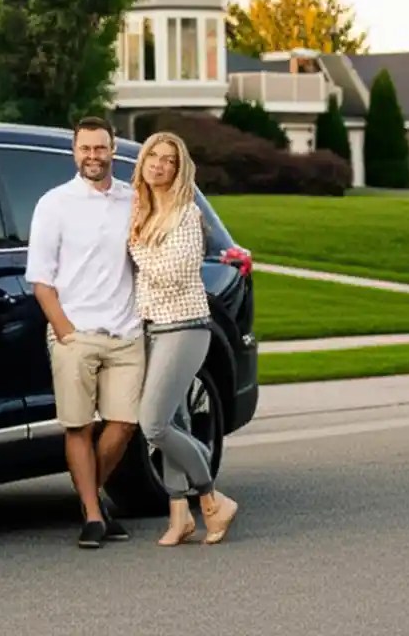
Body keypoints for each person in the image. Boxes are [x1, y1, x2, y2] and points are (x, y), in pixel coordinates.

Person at [25, 116, 145, 549]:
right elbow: (40, 279)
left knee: (125, 424)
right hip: (75, 332)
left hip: (127, 332)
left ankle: (88, 495)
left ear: (113, 151)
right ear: (74, 153)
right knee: (78, 427)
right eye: (85, 149)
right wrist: (65, 331)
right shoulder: (54, 204)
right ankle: (94, 516)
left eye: (100, 148)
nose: (93, 156)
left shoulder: (133, 200)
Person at [127, 131, 239, 546]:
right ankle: (180, 516)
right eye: (152, 156)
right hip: (153, 327)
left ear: (179, 168)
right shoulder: (142, 210)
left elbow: (174, 273)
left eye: (168, 159)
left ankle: (212, 497)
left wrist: (138, 248)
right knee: (175, 419)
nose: (158, 164)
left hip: (185, 327)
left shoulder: (186, 214)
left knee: (152, 424)